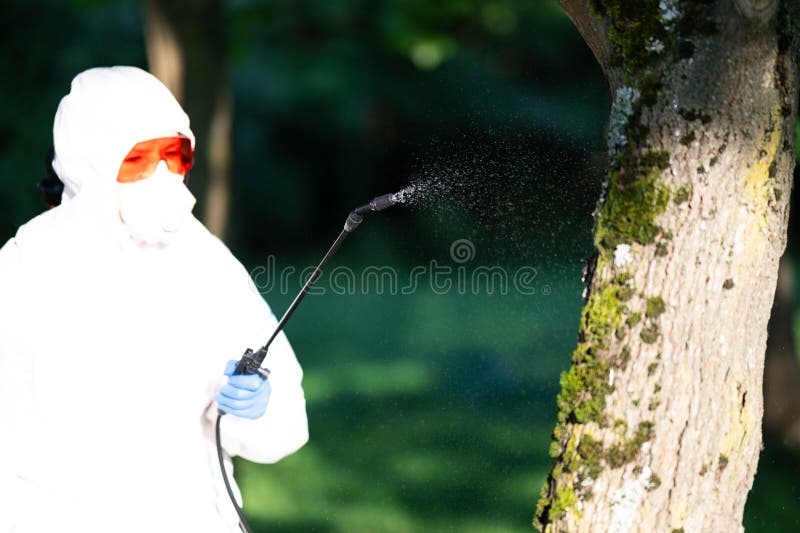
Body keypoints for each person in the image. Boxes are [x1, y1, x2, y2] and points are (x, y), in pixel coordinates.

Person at [0, 66, 309, 532]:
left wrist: (259, 407)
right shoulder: (28, 267)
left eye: (175, 154)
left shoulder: (205, 260)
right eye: (139, 158)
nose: (162, 175)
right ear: (91, 162)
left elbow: (286, 423)